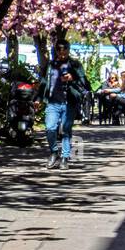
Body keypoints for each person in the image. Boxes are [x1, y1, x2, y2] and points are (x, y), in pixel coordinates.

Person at [35, 38, 89, 169]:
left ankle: (65, 157)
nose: (62, 52)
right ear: (56, 51)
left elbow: (86, 84)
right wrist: (38, 99)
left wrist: (73, 78)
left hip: (69, 102)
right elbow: (43, 82)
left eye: (65, 49)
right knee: (50, 128)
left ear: (69, 50)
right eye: (59, 49)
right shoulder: (50, 65)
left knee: (66, 130)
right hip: (53, 102)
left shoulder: (75, 65)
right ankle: (54, 152)